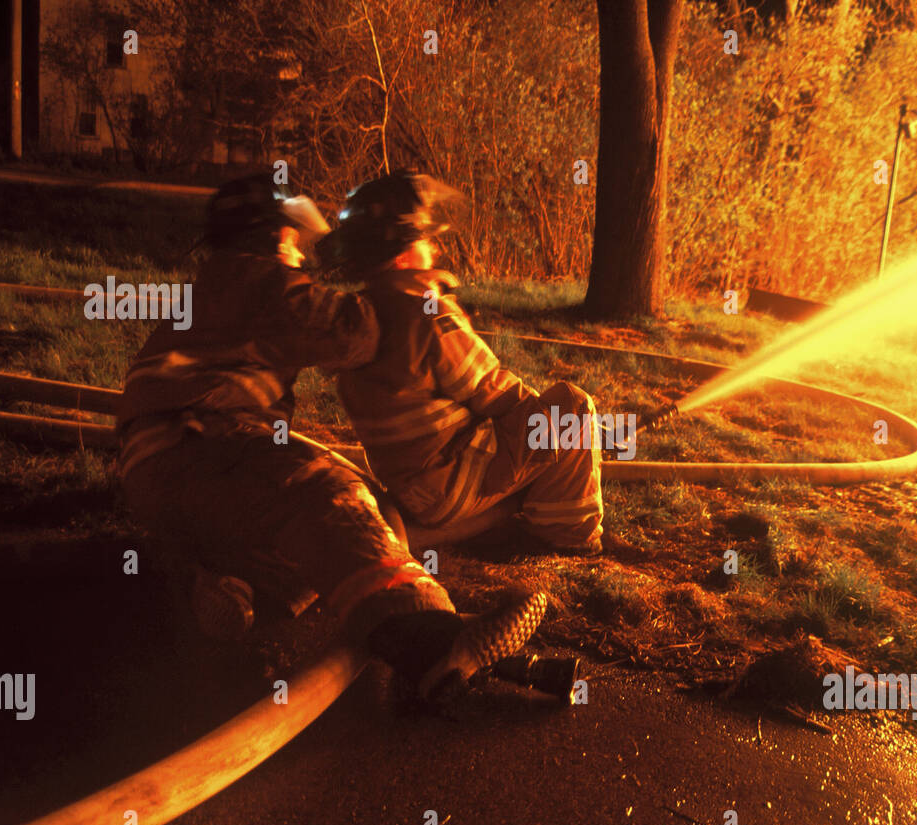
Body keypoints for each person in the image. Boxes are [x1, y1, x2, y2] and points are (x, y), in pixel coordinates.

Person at [114, 173, 546, 699]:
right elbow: (353, 335)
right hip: (209, 446)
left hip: (155, 473)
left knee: (282, 528)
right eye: (295, 240)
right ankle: (432, 643)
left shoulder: (210, 288)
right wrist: (403, 290)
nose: (300, 252)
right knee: (332, 497)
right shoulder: (264, 281)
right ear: (276, 236)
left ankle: (230, 585)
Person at [324, 171, 605, 556]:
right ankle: (571, 537)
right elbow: (495, 392)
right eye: (425, 240)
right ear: (403, 252)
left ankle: (516, 511)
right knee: (572, 407)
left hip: (410, 493)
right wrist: (556, 436)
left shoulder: (362, 318)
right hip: (452, 486)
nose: (434, 250)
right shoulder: (428, 313)